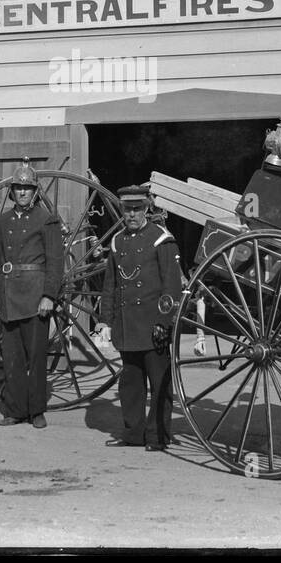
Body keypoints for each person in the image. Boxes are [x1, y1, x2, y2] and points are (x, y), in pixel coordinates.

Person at [0, 159, 63, 429]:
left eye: (27, 188)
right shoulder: (2, 222)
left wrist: (49, 296)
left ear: (35, 191)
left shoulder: (47, 220)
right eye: (18, 188)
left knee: (37, 357)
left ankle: (36, 410)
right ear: (11, 192)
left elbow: (55, 262)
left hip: (35, 296)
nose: (23, 193)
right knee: (13, 359)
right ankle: (15, 410)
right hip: (7, 298)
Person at [100, 185, 181, 451]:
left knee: (160, 384)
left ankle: (158, 437)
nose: (131, 215)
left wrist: (165, 322)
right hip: (128, 325)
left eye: (137, 209)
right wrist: (105, 321)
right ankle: (134, 434)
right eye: (127, 209)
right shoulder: (117, 242)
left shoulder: (161, 239)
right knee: (131, 384)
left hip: (153, 324)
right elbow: (110, 284)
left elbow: (171, 287)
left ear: (146, 209)